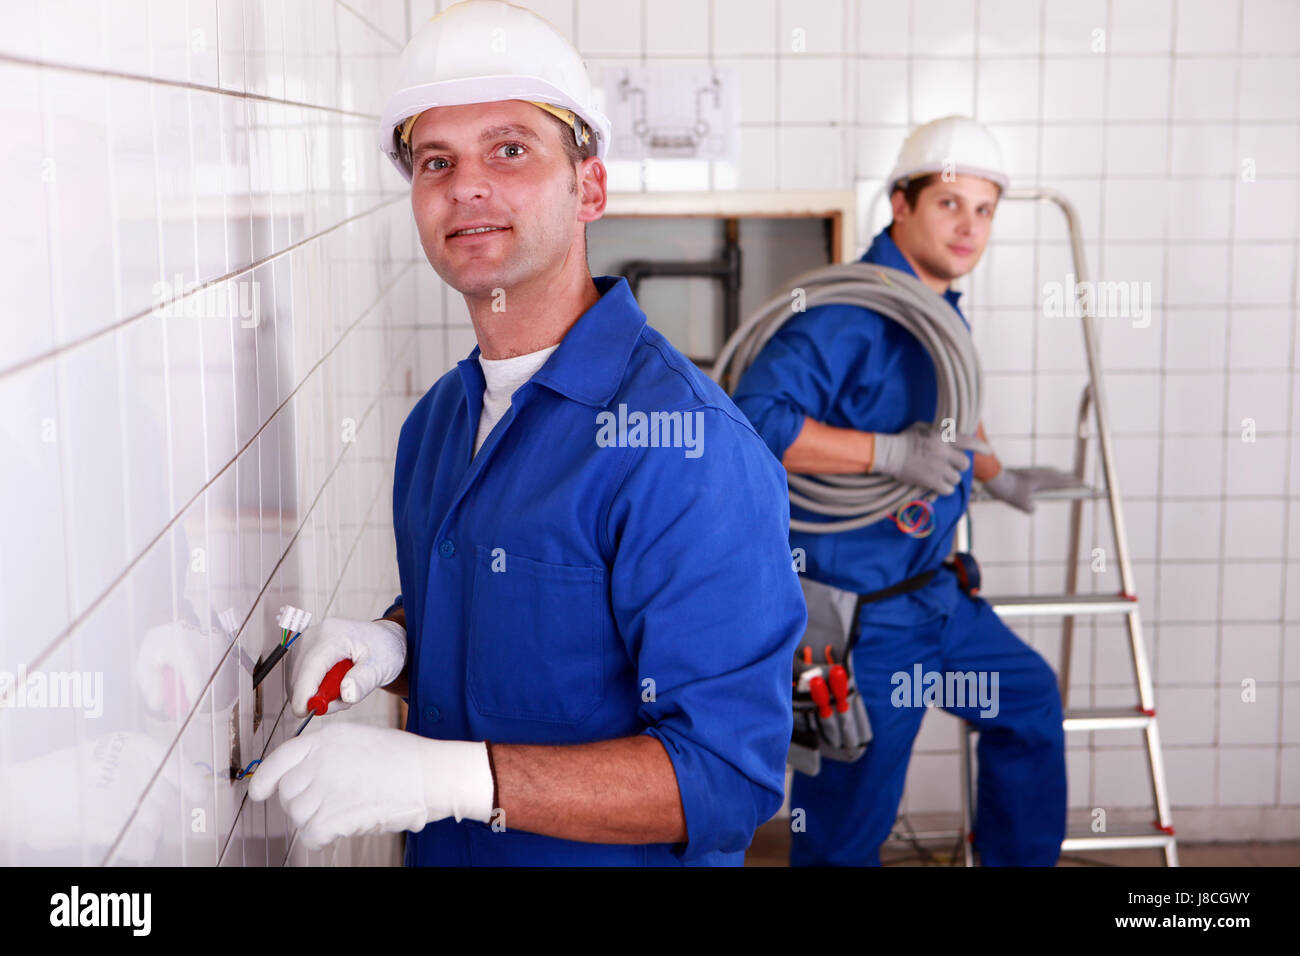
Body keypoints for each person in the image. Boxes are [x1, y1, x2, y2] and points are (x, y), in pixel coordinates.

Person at [249, 0, 805, 866]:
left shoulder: (687, 448)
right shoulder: (438, 423)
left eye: (510, 149)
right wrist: (392, 644)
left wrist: (453, 783)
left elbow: (728, 778)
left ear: (589, 186)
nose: (468, 185)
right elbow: (514, 636)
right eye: (438, 161)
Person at [733, 116, 1071, 866]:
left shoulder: (938, 307)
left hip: (935, 597)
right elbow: (754, 424)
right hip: (864, 627)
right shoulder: (847, 315)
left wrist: (996, 474)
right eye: (951, 203)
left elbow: (947, 412)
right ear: (902, 204)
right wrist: (890, 454)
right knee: (848, 823)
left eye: (984, 210)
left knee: (1029, 704)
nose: (969, 228)